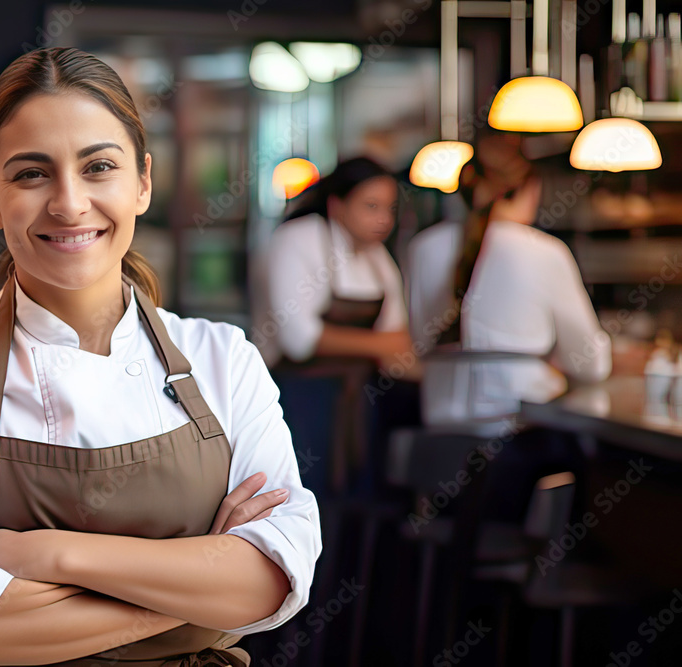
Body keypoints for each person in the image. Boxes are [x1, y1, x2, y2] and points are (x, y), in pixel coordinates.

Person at [0, 47, 321, 667]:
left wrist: (51, 555)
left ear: (142, 181)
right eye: (31, 174)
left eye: (98, 168)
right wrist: (206, 593)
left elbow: (277, 578)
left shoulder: (224, 358)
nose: (68, 203)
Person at [407, 132, 612, 426]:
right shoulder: (544, 251)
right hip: (519, 429)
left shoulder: (422, 248)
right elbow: (591, 363)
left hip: (439, 422)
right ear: (527, 189)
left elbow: (418, 340)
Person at [257, 157, 416, 499]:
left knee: (359, 502)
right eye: (371, 206)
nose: (384, 219)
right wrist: (379, 345)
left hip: (360, 402)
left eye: (389, 208)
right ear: (337, 204)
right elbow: (299, 340)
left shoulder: (378, 258)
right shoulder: (298, 239)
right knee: (304, 499)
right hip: (302, 399)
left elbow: (399, 339)